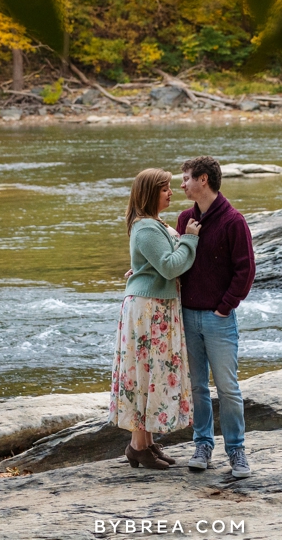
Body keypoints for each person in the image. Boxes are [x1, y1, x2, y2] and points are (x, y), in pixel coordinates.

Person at [109, 167, 202, 470]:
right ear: (150, 193)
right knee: (144, 373)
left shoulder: (153, 223)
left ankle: (145, 443)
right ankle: (138, 446)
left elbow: (154, 263)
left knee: (149, 372)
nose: (171, 192)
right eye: (164, 188)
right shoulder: (147, 227)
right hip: (148, 310)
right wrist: (189, 239)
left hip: (157, 306)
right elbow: (170, 266)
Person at [175, 155, 256, 478]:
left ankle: (236, 451)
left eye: (186, 178)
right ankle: (203, 445)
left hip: (219, 319)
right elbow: (177, 262)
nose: (182, 184)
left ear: (203, 179)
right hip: (187, 316)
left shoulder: (234, 221)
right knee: (197, 387)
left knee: (227, 388)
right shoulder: (185, 219)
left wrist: (224, 307)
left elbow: (245, 271)